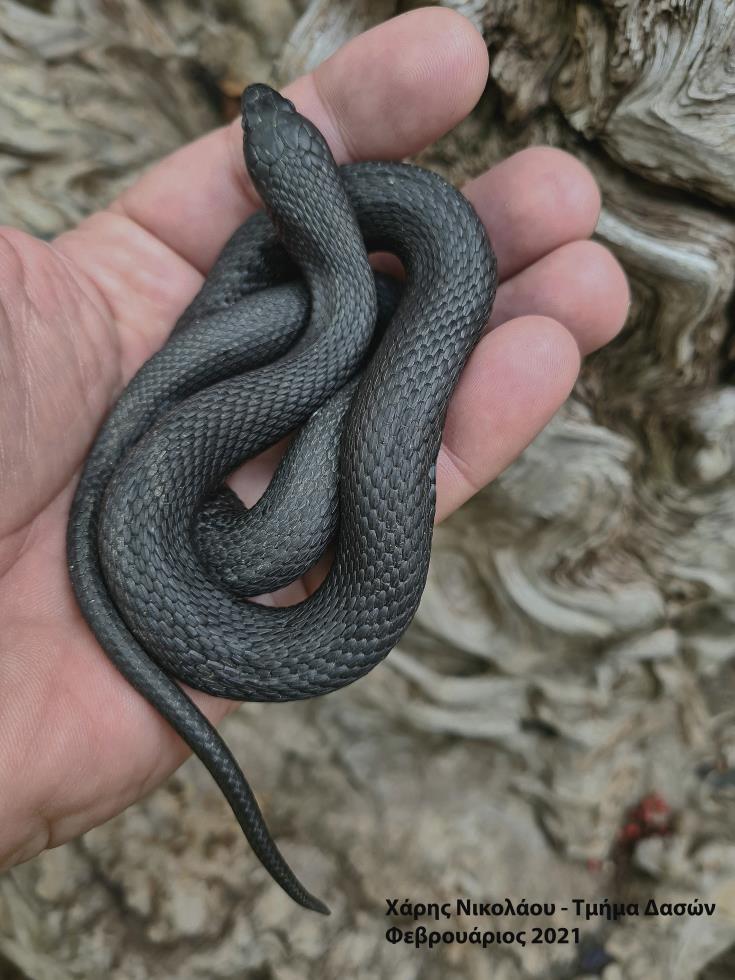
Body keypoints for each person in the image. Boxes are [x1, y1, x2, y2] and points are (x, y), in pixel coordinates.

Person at [0, 8, 629, 871]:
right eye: (266, 133)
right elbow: (337, 309)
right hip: (216, 503)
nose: (262, 109)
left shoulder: (387, 254)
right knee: (337, 357)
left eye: (278, 128)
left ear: (301, 195)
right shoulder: (332, 297)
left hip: (246, 471)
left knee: (338, 365)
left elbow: (340, 315)